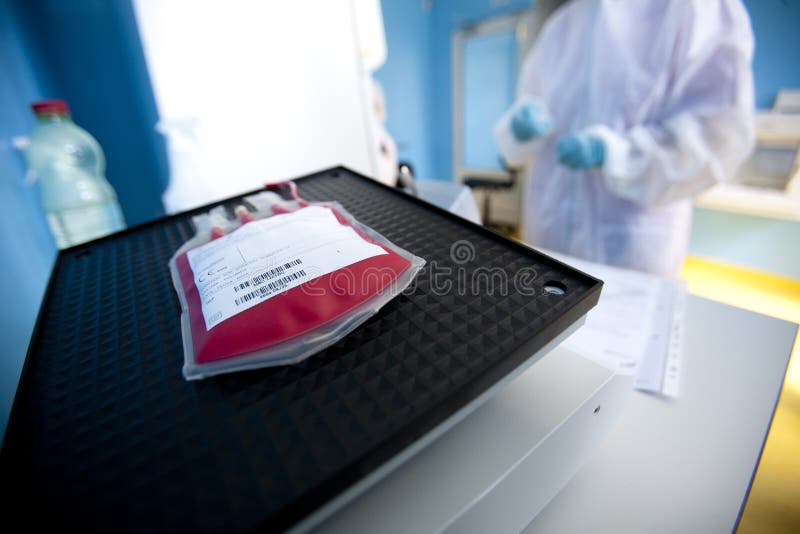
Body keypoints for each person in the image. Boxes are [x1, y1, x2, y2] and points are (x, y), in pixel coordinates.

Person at [494, 0, 755, 277]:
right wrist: (518, 130)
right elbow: (527, 115)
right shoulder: (561, 24)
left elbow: (718, 135)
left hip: (629, 255)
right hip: (545, 242)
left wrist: (616, 154)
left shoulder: (695, 8)